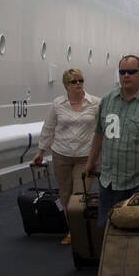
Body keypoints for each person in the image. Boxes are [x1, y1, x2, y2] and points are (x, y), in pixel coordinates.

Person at [84, 55, 139, 227]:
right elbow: (99, 135)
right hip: (109, 180)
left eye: (131, 72)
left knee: (137, 230)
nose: (126, 76)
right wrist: (91, 162)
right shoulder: (107, 101)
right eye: (122, 72)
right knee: (107, 228)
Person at [33, 68, 99, 245]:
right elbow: (49, 128)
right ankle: (73, 230)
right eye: (73, 81)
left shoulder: (95, 103)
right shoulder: (58, 104)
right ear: (66, 85)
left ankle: (79, 232)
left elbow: (102, 130)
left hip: (86, 156)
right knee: (65, 194)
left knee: (80, 195)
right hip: (62, 154)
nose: (78, 84)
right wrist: (41, 152)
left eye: (80, 80)